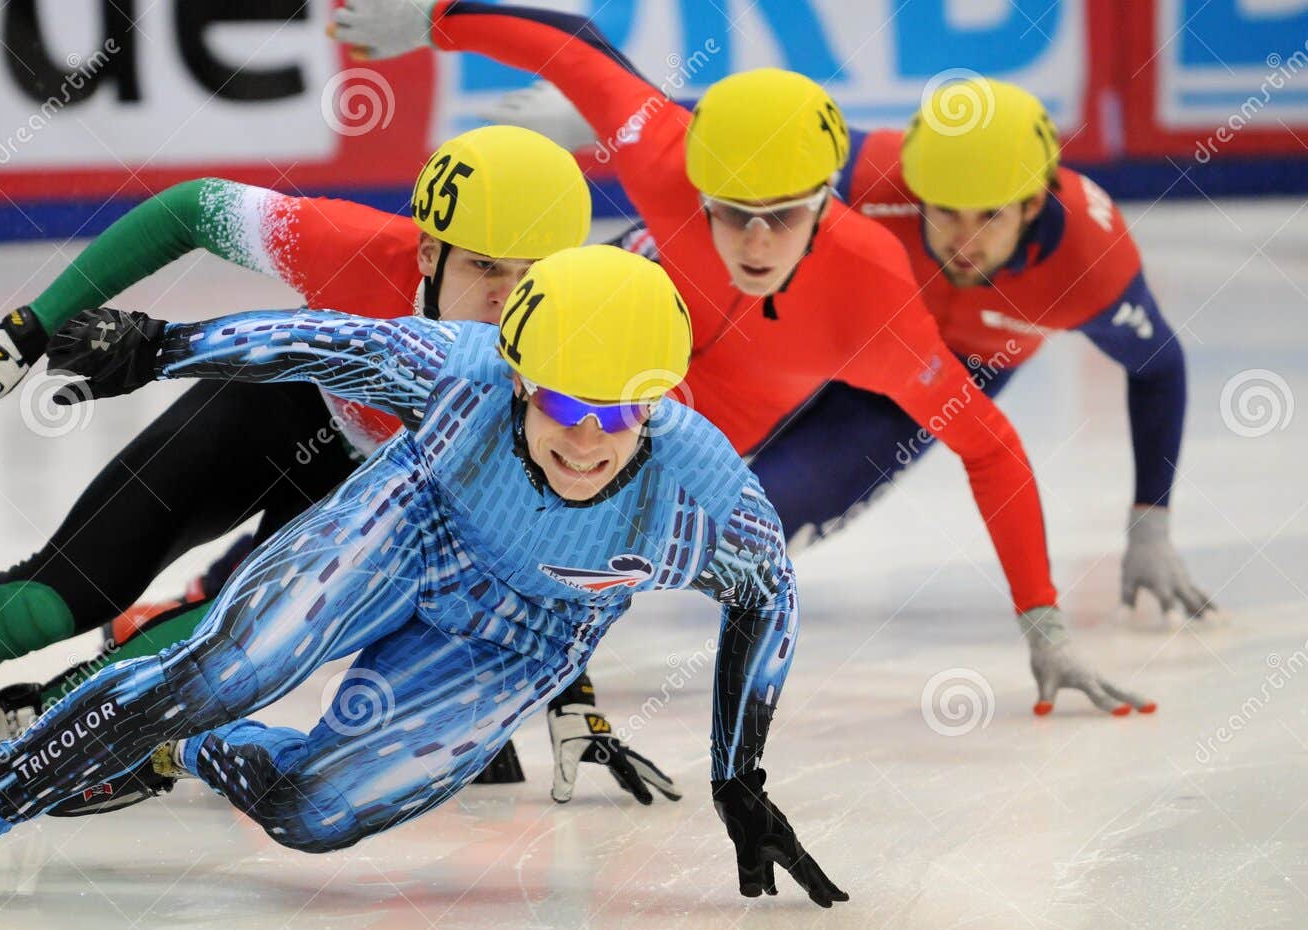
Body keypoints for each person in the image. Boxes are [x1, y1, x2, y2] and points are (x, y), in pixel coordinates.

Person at [0, 245, 848, 917]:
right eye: (564, 406)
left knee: (313, 811)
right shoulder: (460, 371)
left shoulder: (703, 494)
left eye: (620, 414)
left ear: (658, 407)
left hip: (524, 634)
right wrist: (159, 347)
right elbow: (319, 342)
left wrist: (736, 774)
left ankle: (185, 749)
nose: (588, 439)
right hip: (416, 522)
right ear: (517, 376)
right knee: (229, 662)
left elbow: (768, 600)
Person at [0, 127, 677, 808]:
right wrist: (26, 329)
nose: (506, 304)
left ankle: (38, 720)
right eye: (484, 271)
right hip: (284, 404)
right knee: (56, 595)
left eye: (532, 279)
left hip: (388, 490)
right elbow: (187, 209)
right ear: (424, 250)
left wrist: (567, 689)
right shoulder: (350, 248)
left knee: (227, 637)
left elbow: (577, 532)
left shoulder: (574, 352)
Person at [328, 1, 1154, 717]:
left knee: (692, 524)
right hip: (612, 344)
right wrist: (433, 21)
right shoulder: (663, 158)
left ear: (829, 199)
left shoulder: (873, 294)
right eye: (729, 213)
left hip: (694, 427)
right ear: (699, 187)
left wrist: (1042, 621)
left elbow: (990, 445)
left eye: (785, 217)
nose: (755, 243)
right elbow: (571, 47)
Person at [595, 79, 1211, 619]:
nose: (963, 241)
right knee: (626, 445)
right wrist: (624, 117)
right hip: (834, 323)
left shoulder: (1090, 262)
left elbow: (1158, 368)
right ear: (915, 188)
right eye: (944, 212)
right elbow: (743, 138)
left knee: (756, 526)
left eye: (989, 216)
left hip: (935, 374)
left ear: (1032, 204)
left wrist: (1149, 521)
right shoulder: (872, 171)